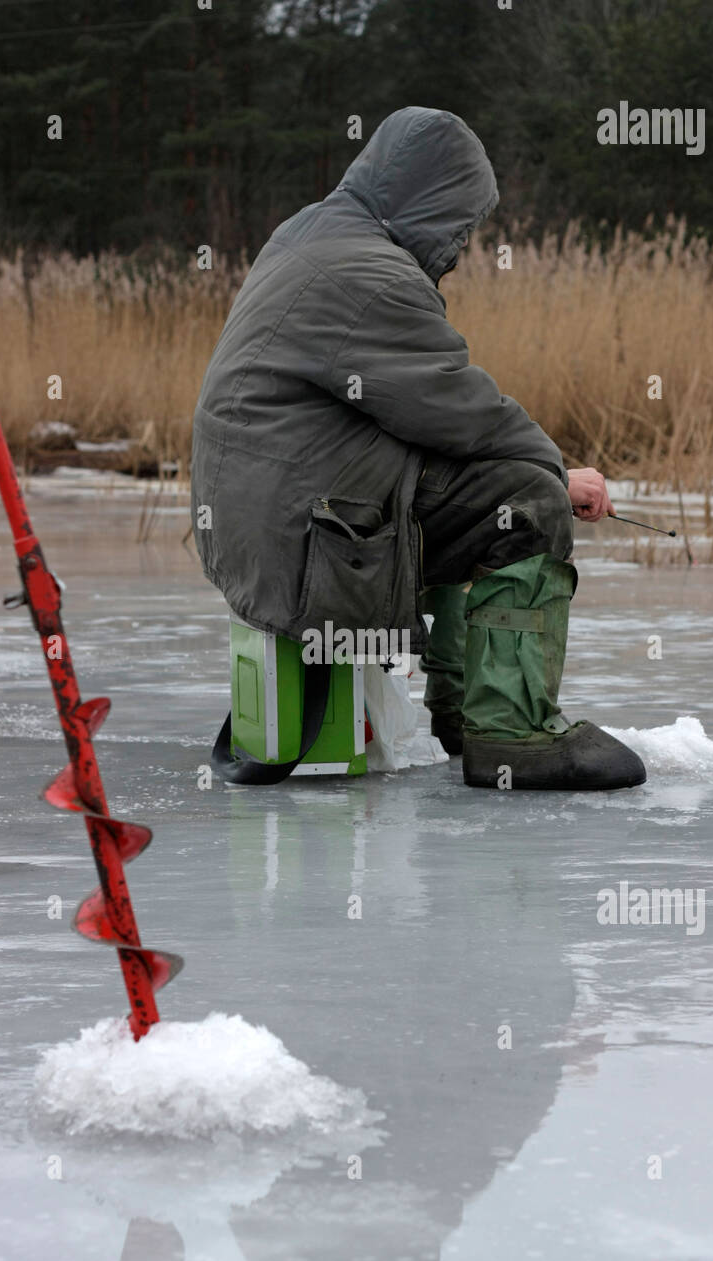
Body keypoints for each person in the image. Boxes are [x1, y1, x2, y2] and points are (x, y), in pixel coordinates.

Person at [192, 106, 645, 791]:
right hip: (304, 541)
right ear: (430, 202)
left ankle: (466, 711)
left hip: (262, 525)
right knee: (524, 499)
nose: (462, 247)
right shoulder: (371, 276)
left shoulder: (310, 233)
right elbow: (458, 410)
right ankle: (510, 733)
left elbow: (420, 413)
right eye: (461, 223)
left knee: (482, 484)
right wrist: (560, 469)